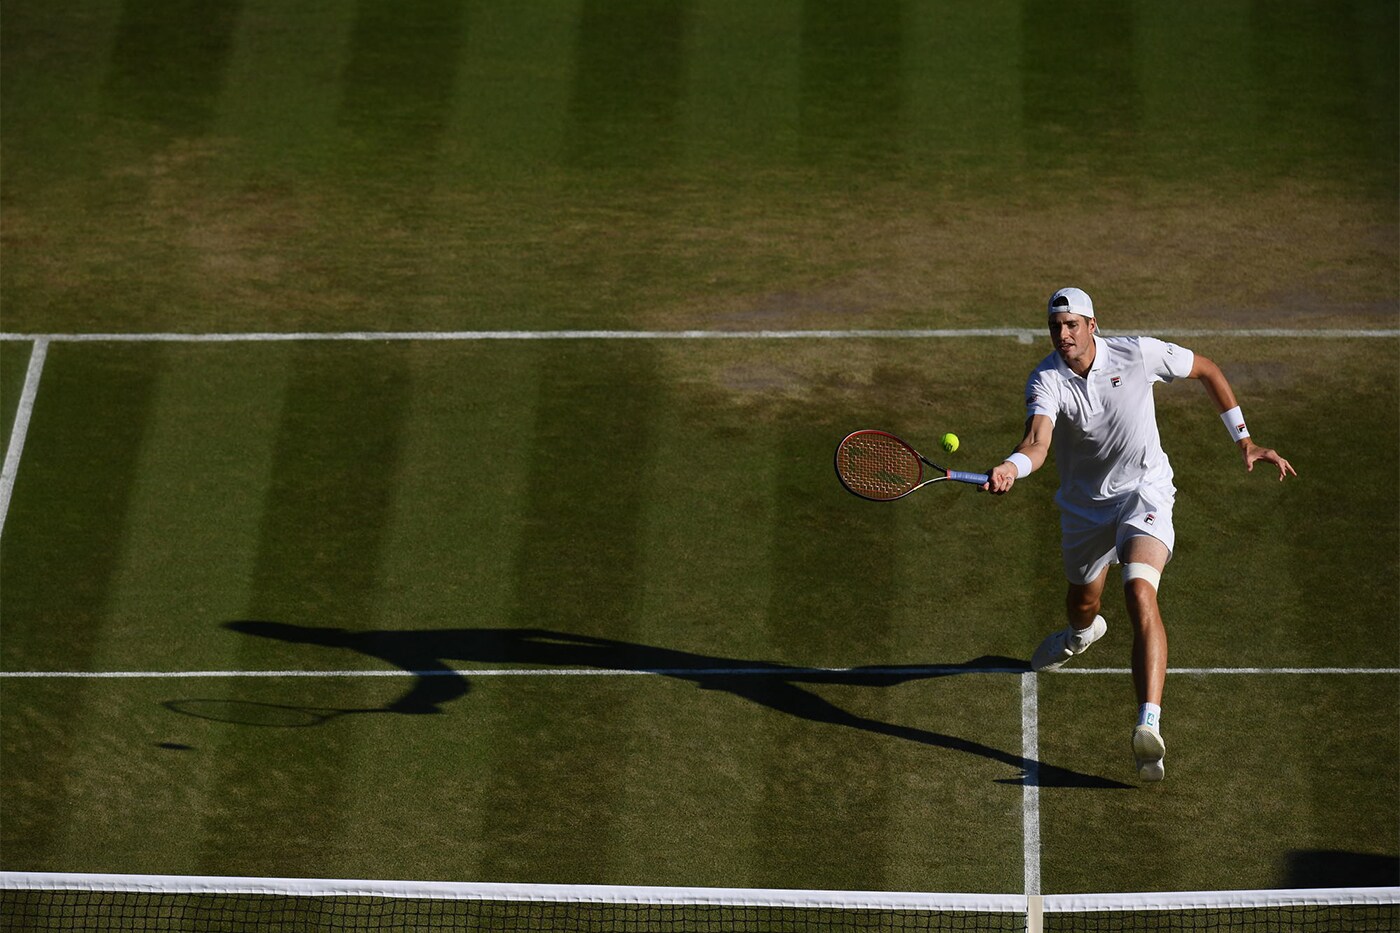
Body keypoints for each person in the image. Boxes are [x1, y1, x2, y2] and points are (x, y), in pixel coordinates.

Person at [985, 287, 1295, 782]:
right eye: (1055, 327)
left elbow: (1208, 370)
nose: (1062, 335)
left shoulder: (1138, 353)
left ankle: (1148, 723)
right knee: (1083, 603)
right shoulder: (1045, 378)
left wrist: (1246, 440)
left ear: (1092, 325)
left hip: (1144, 493)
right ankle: (1080, 634)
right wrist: (1012, 466)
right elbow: (1037, 442)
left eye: (1071, 325)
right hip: (1085, 510)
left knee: (1138, 589)